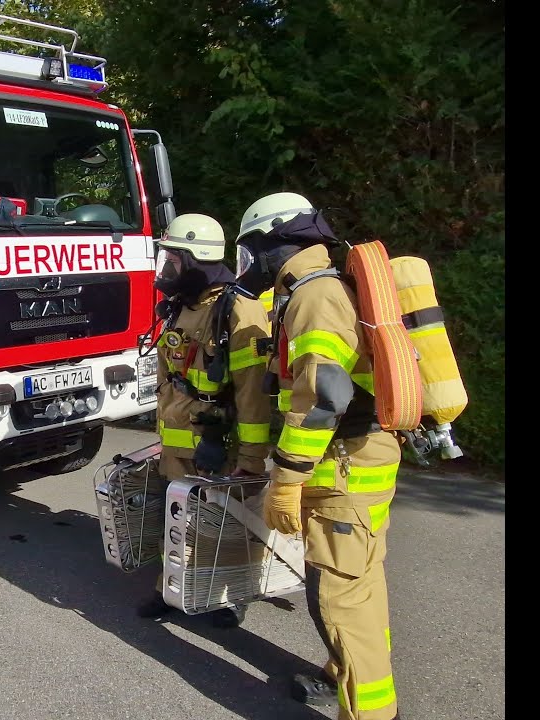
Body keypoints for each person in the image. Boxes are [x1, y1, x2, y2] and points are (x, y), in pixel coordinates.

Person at [234, 192, 401, 720]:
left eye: (251, 249)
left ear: (273, 240)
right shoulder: (317, 288)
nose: (249, 263)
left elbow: (324, 398)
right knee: (360, 584)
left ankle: (372, 713)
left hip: (343, 467)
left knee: (340, 598)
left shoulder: (314, 296)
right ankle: (342, 673)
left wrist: (286, 480)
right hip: (360, 460)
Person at [139, 213, 273, 627]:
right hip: (178, 445)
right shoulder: (184, 306)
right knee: (176, 522)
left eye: (173, 261)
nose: (166, 270)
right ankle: (172, 589)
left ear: (197, 261)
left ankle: (230, 596)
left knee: (225, 526)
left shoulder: (239, 311)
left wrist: (249, 458)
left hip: (219, 445)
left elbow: (253, 393)